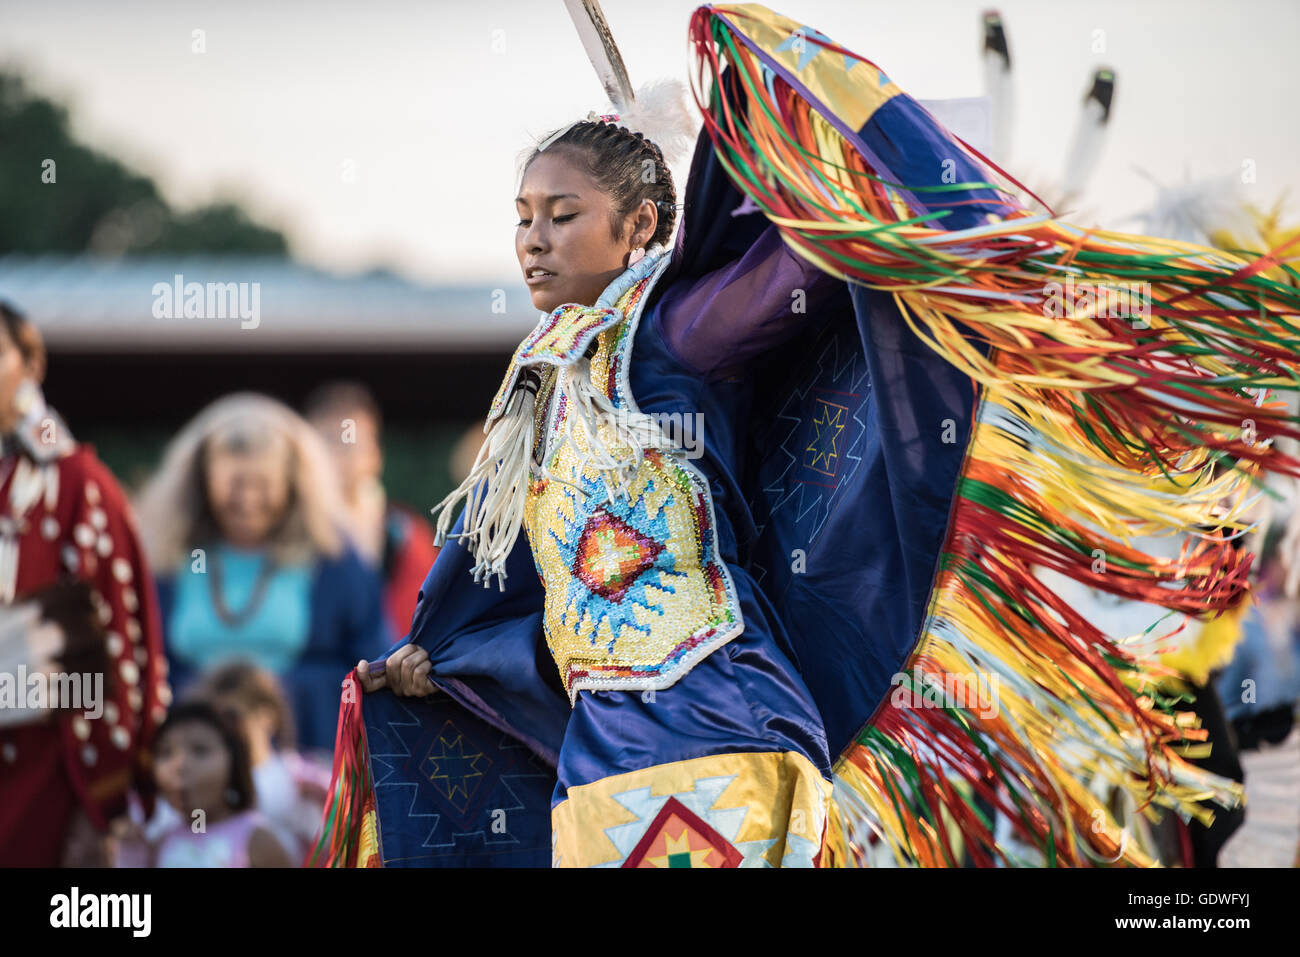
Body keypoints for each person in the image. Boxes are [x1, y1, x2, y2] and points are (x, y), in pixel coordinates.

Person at [315, 4, 1300, 868]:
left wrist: (775, 125)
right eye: (522, 216)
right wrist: (436, 660)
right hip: (604, 739)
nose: (533, 237)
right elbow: (550, 582)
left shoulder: (665, 337)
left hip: (712, 719)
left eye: (563, 214)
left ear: (639, 226)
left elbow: (817, 253)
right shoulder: (543, 377)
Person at [0, 300, 169, 867]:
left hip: (44, 766)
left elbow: (119, 648)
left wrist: (101, 803)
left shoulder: (77, 486)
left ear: (31, 365)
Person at [135, 392, 391, 754]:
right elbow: (138, 671)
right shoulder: (167, 561)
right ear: (202, 482)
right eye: (235, 484)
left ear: (293, 483)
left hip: (307, 771)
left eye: (264, 485)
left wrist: (279, 692)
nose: (249, 499)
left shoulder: (334, 559)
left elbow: (375, 668)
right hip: (188, 774)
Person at [302, 382, 440, 640]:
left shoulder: (407, 536)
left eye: (352, 443)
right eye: (327, 443)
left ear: (376, 455)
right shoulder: (285, 533)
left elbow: (422, 628)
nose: (340, 456)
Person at [114, 701, 293, 867]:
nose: (180, 765)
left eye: (200, 750)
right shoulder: (159, 845)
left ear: (234, 762)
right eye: (165, 753)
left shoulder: (257, 841)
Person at [199, 660, 331, 862]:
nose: (226, 730)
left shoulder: (304, 781)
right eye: (216, 722)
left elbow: (338, 843)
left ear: (267, 716)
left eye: (233, 717)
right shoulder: (204, 787)